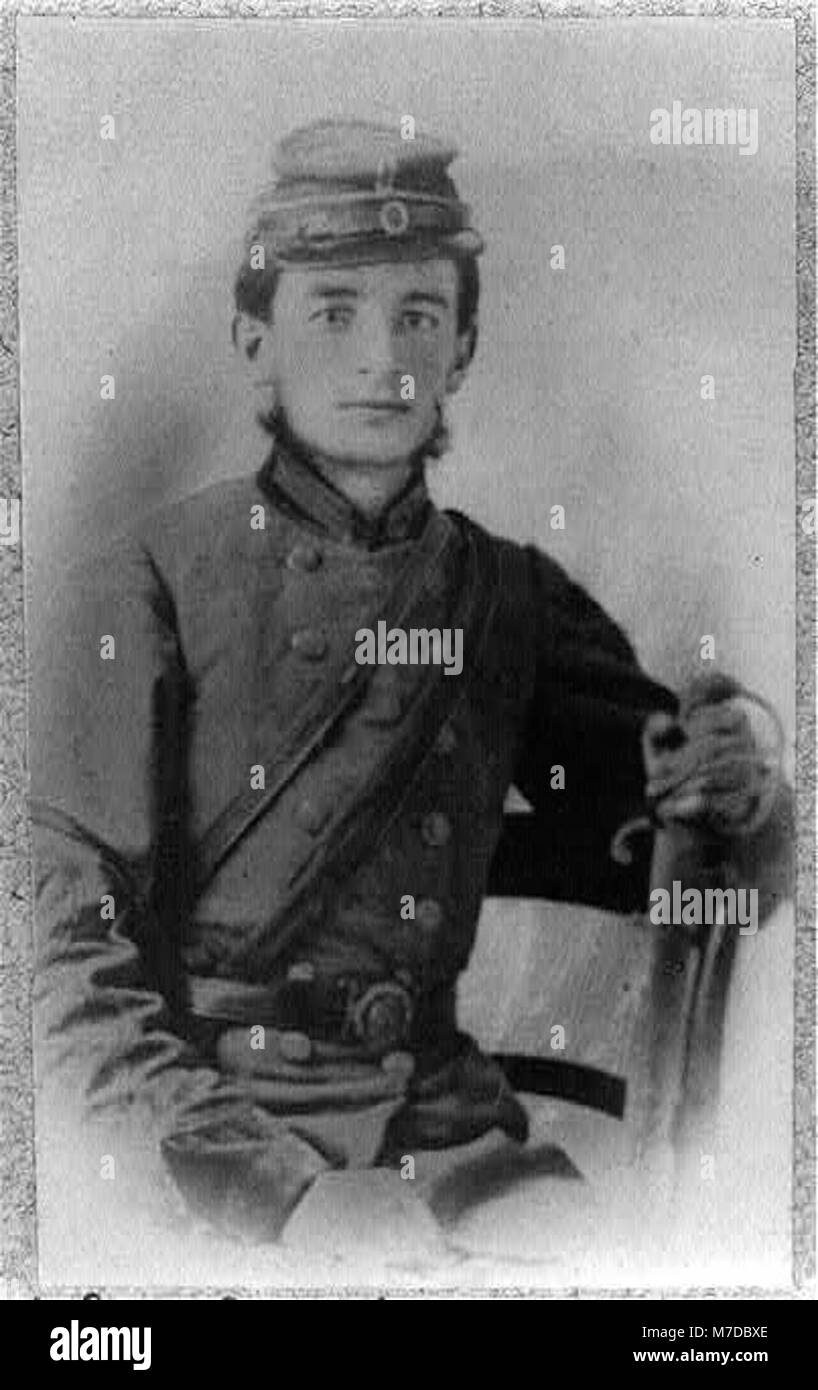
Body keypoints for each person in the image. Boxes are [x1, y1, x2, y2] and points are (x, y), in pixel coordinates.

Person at [29, 119, 788, 1272]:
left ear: (461, 348)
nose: (380, 358)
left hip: (455, 1142)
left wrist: (740, 790)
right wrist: (280, 1197)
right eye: (331, 311)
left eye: (417, 317)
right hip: (211, 1156)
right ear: (254, 340)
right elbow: (53, 967)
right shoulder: (144, 585)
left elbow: (677, 852)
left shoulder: (508, 601)